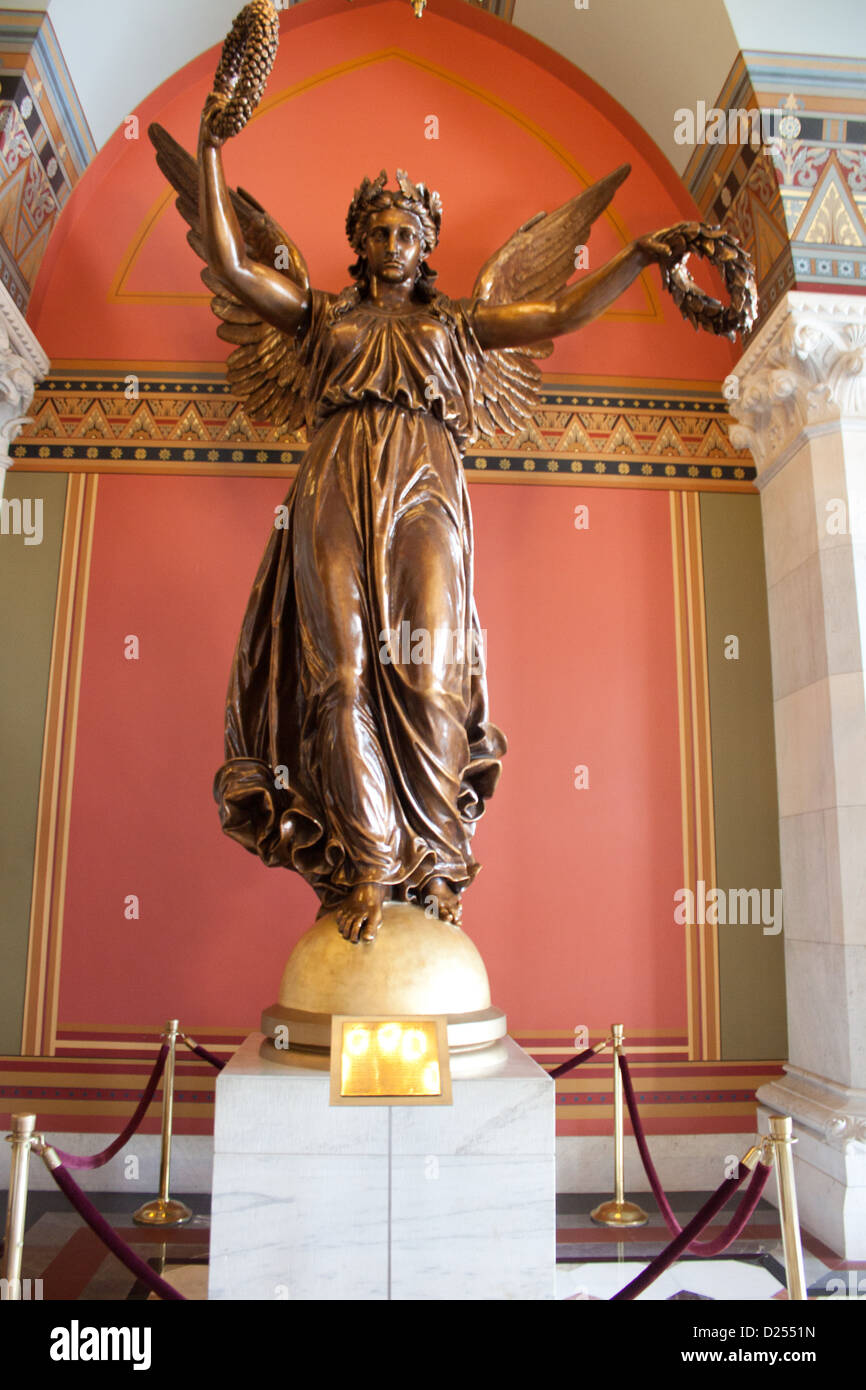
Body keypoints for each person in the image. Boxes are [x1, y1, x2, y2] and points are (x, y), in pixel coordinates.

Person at [193, 110, 678, 944]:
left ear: (425, 245)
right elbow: (235, 267)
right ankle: (371, 860)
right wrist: (210, 147)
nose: (391, 242)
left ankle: (439, 858)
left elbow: (557, 315)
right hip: (336, 489)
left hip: (426, 495)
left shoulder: (456, 326)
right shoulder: (318, 319)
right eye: (378, 229)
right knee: (339, 675)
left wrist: (635, 258)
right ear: (359, 241)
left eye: (406, 231)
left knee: (430, 673)